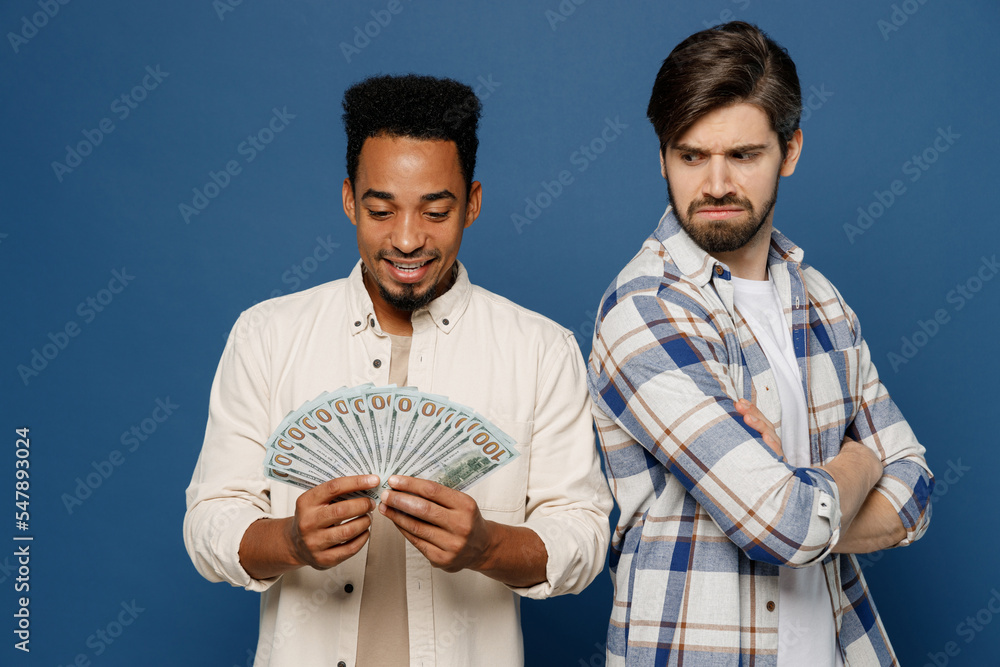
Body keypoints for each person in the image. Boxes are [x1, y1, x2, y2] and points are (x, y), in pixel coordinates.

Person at [184, 73, 612, 667]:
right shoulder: (267, 336)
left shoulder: (541, 349)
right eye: (381, 210)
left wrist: (488, 546)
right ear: (347, 200)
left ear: (474, 203)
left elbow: (583, 537)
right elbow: (210, 519)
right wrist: (288, 540)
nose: (407, 240)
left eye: (436, 211)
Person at [587, 22, 932, 666]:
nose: (715, 184)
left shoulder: (822, 301)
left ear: (790, 149)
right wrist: (856, 464)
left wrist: (803, 495)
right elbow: (783, 528)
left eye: (743, 155)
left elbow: (915, 491)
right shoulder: (644, 311)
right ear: (662, 156)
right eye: (691, 156)